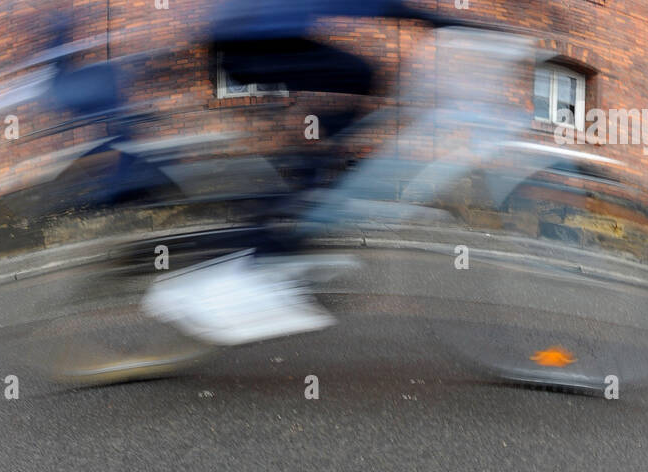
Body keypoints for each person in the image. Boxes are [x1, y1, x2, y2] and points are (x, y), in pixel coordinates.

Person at [144, 0, 470, 347]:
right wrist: (439, 19)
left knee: (352, 83)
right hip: (255, 40)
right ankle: (257, 259)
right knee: (359, 73)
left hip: (253, 36)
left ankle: (308, 181)